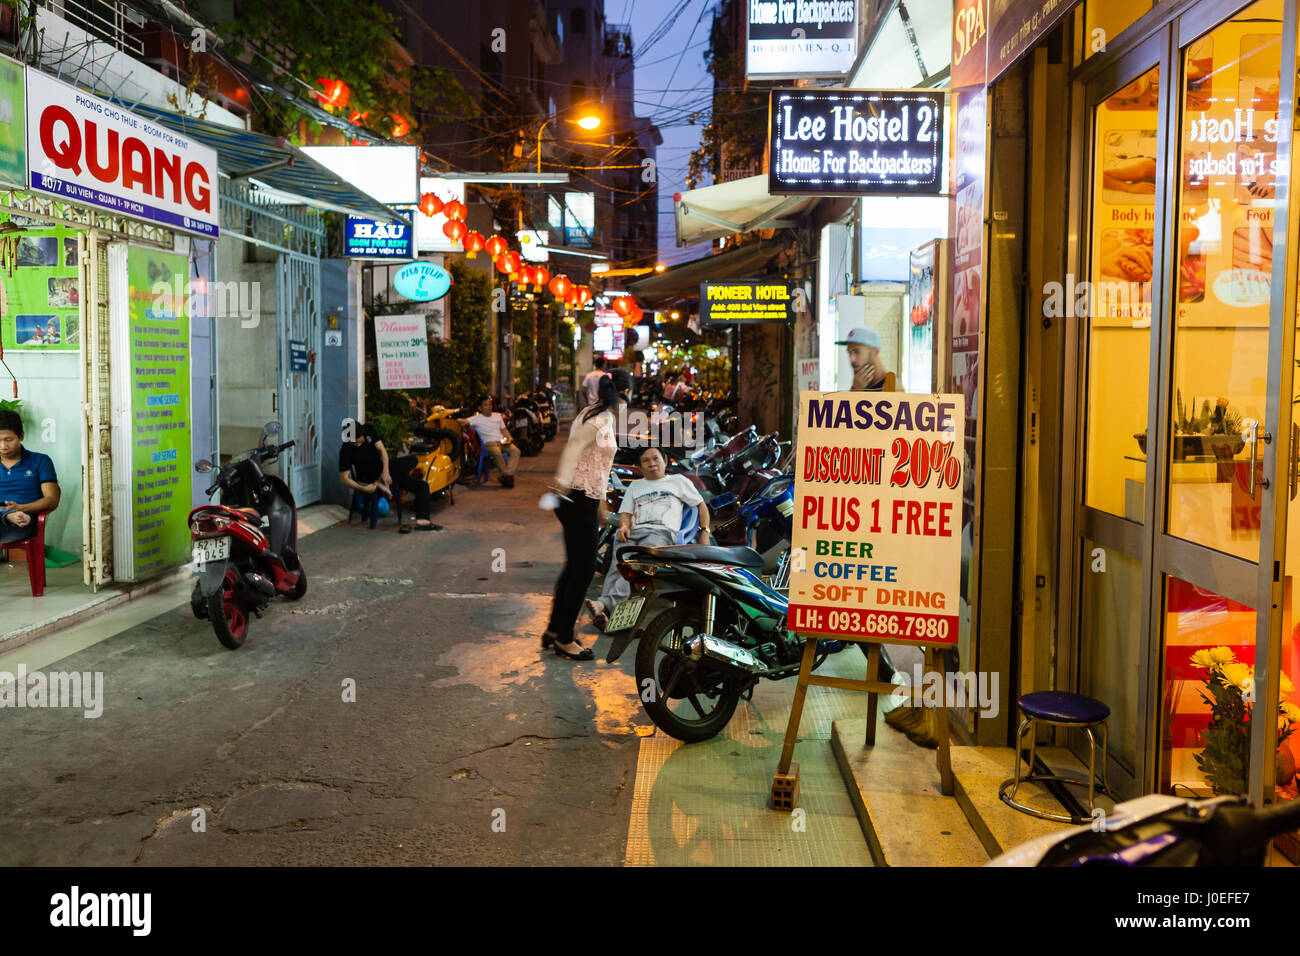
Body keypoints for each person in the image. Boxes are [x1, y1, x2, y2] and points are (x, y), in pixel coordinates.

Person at [542, 367, 632, 662]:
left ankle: (555, 631)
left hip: (582, 499)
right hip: (577, 499)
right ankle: (565, 639)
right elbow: (576, 447)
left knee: (573, 568)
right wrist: (563, 480)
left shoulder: (590, 412)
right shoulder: (602, 418)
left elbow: (594, 463)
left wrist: (602, 504)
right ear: (624, 394)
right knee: (581, 572)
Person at [584, 445, 708, 630]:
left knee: (634, 563)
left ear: (664, 461)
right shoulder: (636, 486)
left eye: (655, 459)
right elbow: (625, 513)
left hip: (661, 533)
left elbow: (701, 506)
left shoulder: (678, 481)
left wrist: (704, 531)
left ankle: (604, 604)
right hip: (634, 532)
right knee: (618, 564)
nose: (652, 463)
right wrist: (624, 526)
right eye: (646, 461)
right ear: (640, 467)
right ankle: (610, 616)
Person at [338, 421, 438, 531]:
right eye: (354, 443)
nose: (357, 445)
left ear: (363, 434)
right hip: (369, 478)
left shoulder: (368, 429)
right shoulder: (346, 449)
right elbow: (344, 479)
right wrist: (363, 488)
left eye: (358, 441)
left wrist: (385, 472)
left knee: (416, 469)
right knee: (408, 478)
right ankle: (383, 484)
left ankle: (422, 522)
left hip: (386, 471)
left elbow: (382, 450)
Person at [0, 410, 60, 547]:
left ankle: (9, 516)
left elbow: (52, 500)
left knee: (18, 517)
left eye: (8, 440)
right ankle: (7, 516)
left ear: (21, 436)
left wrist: (21, 508)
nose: (3, 446)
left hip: (22, 521)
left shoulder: (40, 461)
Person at [466, 395, 520, 488]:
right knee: (497, 453)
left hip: (502, 442)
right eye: (485, 405)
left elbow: (504, 430)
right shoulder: (476, 418)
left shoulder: (497, 416)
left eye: (490, 404)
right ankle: (507, 477)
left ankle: (506, 475)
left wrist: (509, 438)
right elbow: (463, 421)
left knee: (516, 451)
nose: (489, 407)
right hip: (489, 444)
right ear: (480, 408)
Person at [838, 327, 896, 391]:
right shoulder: (860, 384)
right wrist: (855, 389)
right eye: (849, 352)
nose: (852, 359)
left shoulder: (892, 386)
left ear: (875, 352)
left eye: (857, 352)